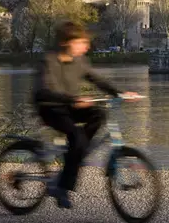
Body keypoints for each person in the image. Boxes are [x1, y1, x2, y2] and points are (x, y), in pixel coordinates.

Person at [34, 21, 138, 209]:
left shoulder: (80, 61)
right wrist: (72, 99)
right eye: (81, 42)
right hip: (50, 108)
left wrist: (119, 93)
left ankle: (77, 151)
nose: (86, 46)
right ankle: (62, 187)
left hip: (70, 107)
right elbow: (42, 92)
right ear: (67, 42)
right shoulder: (49, 61)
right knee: (76, 136)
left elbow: (96, 79)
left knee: (98, 114)